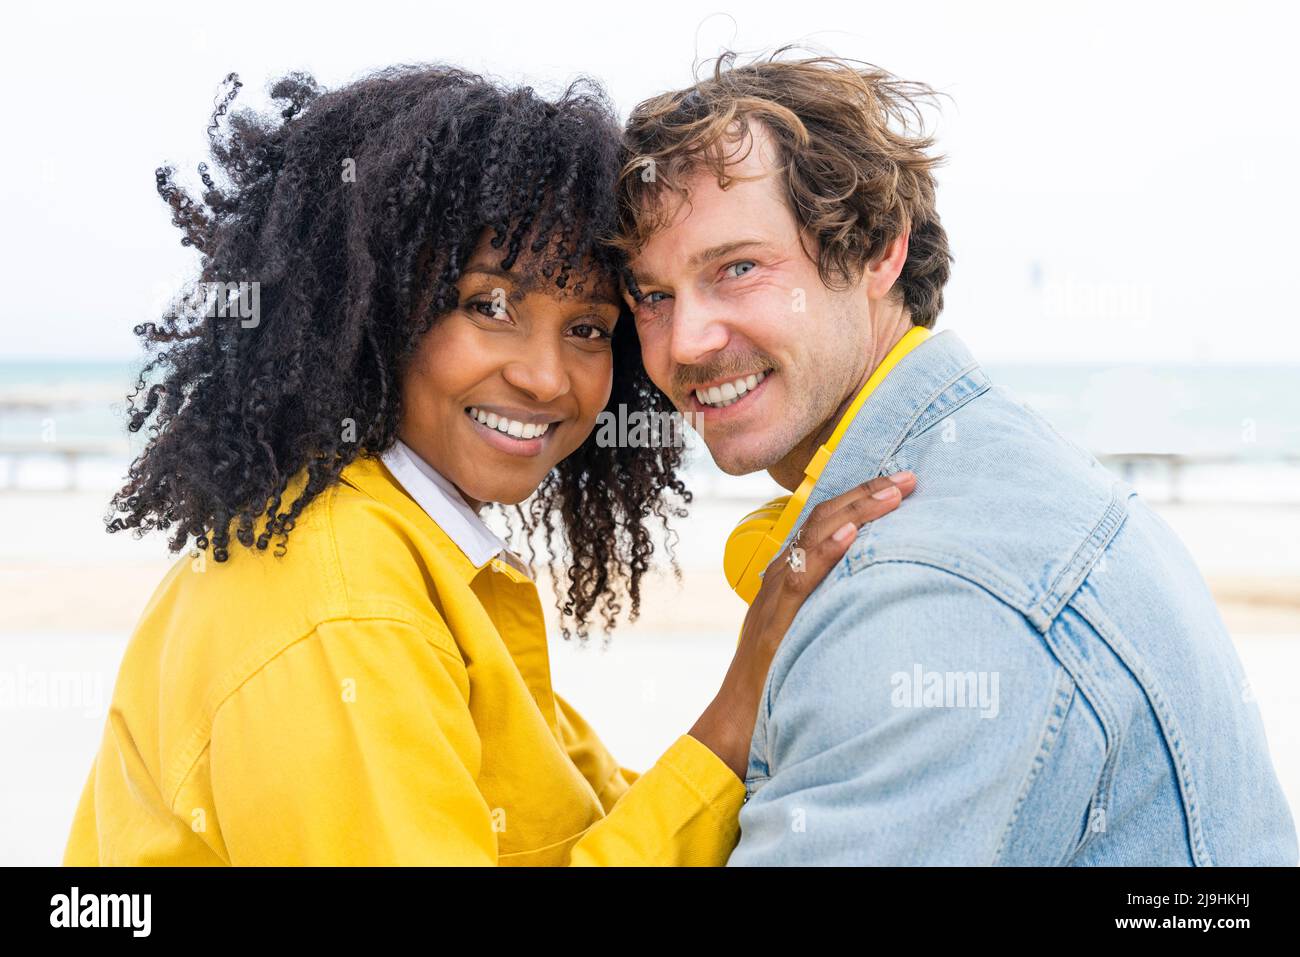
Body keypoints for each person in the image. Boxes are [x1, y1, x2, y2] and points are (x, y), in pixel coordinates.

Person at [62, 64, 916, 866]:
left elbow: (602, 829)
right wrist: (736, 711)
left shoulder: (421, 551)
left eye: (587, 327)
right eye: (488, 306)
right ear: (373, 307)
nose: (546, 376)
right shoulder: (347, 611)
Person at [614, 48, 1298, 865]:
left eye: (738, 268)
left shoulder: (925, 595)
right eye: (652, 295)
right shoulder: (986, 470)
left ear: (877, 251)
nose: (684, 341)